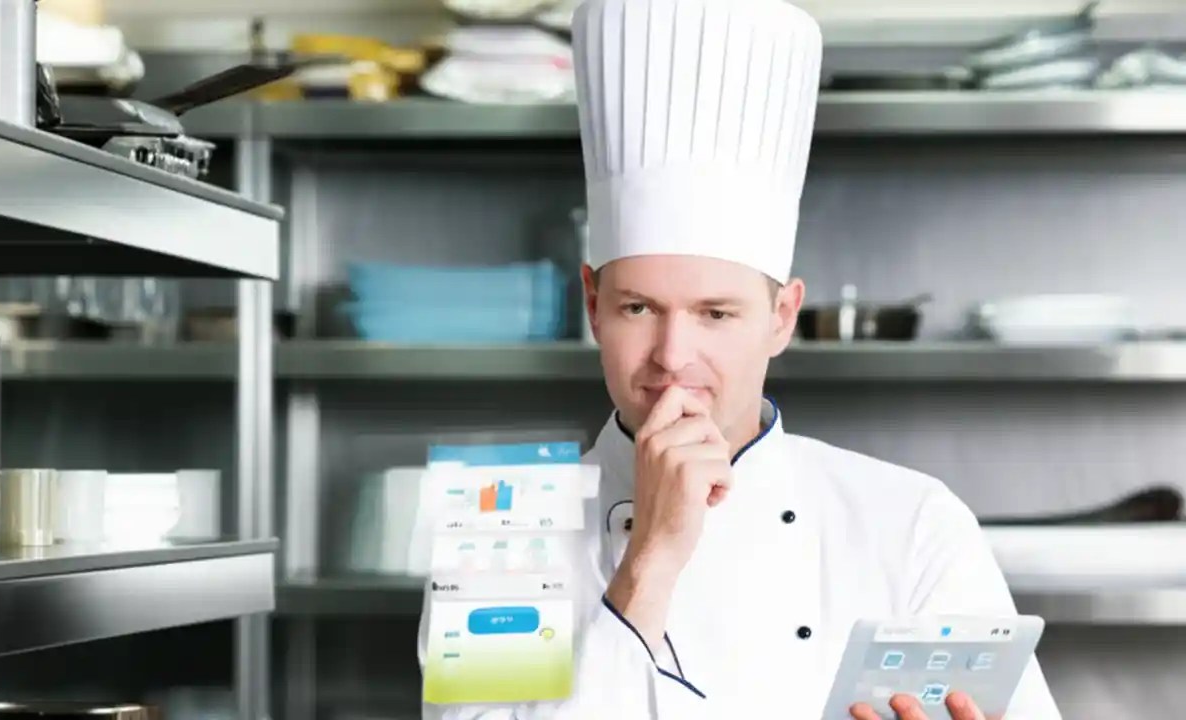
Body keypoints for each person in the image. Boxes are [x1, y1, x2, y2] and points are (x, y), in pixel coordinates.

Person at [419, 0, 1064, 717]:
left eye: (716, 315)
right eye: (639, 308)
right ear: (593, 304)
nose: (672, 356)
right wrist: (653, 558)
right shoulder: (500, 523)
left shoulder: (910, 519)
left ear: (781, 318)